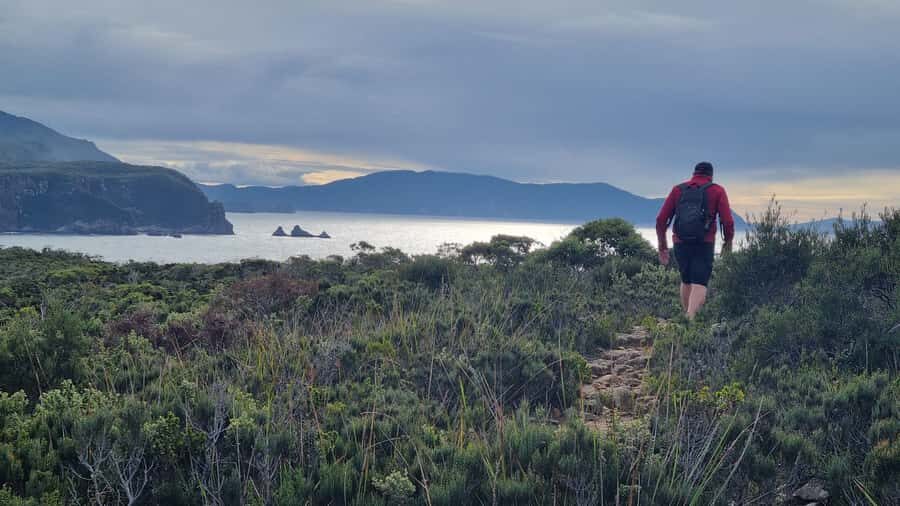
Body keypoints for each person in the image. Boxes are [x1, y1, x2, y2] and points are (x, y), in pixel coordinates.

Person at [656, 161, 735, 319]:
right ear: (711, 175)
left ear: (694, 173)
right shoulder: (717, 190)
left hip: (680, 242)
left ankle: (686, 320)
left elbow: (661, 220)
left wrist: (662, 245)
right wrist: (728, 242)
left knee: (686, 280)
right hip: (704, 243)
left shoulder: (678, 190)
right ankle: (690, 320)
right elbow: (727, 222)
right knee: (700, 282)